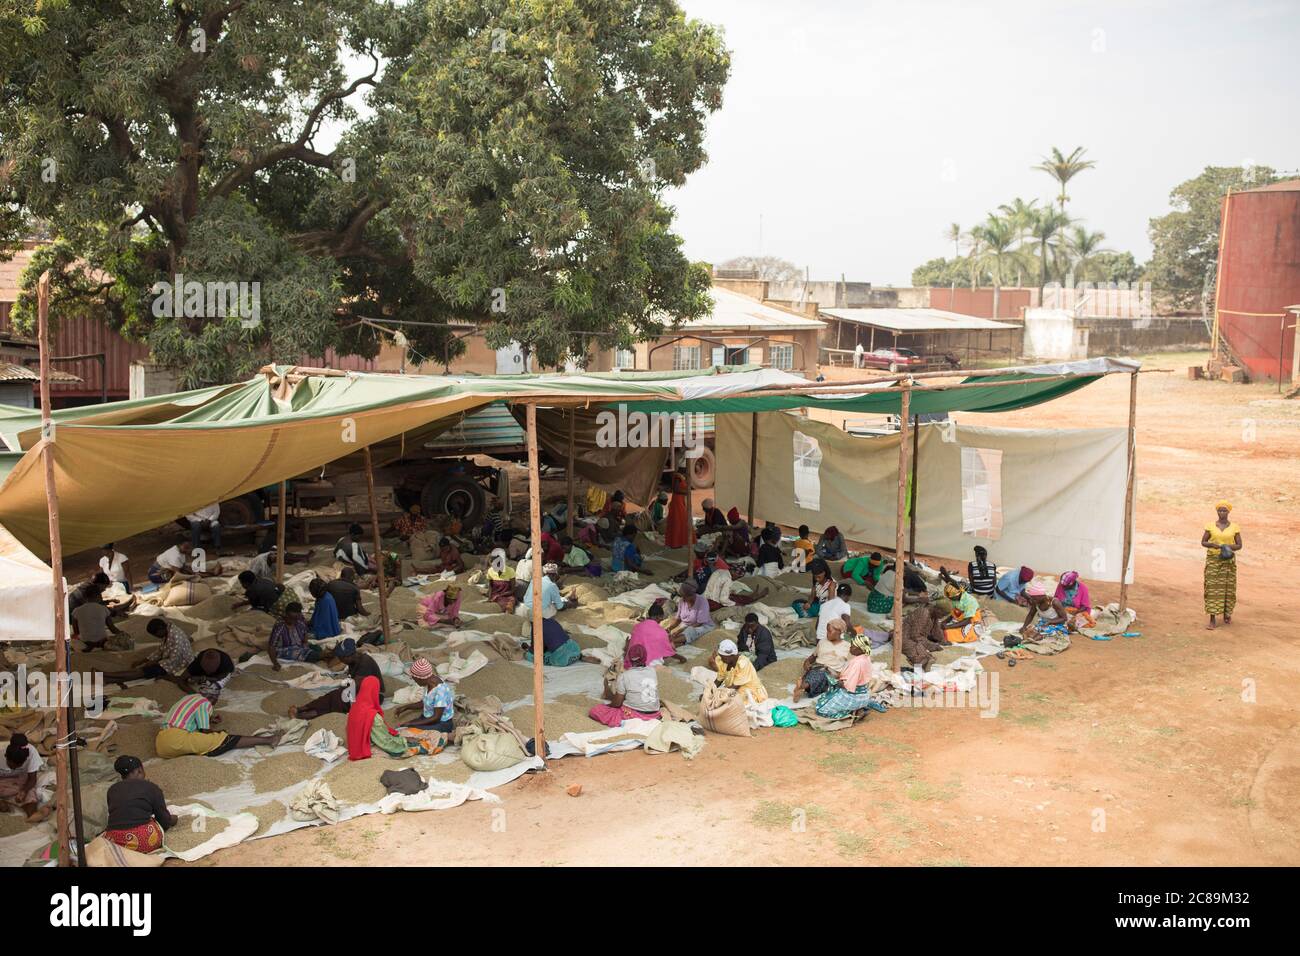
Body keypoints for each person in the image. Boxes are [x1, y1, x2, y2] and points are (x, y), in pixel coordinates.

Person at [346, 676, 444, 760]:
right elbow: (385, 743)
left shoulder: (356, 707)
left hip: (356, 747)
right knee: (433, 739)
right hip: (368, 748)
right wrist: (405, 741)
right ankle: (446, 738)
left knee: (409, 732)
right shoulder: (371, 715)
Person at [155, 693, 280, 758]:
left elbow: (187, 717)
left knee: (198, 744)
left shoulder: (190, 697)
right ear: (213, 699)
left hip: (162, 743)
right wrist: (220, 731)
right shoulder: (205, 703)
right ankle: (269, 739)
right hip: (176, 741)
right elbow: (205, 731)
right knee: (222, 739)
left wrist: (210, 718)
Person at [290, 640, 384, 719]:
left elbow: (355, 685)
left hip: (374, 697)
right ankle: (302, 709)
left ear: (349, 656)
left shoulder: (365, 662)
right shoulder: (354, 661)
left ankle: (302, 714)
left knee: (337, 701)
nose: (341, 660)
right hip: (362, 692)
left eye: (341, 658)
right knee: (333, 697)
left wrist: (341, 693)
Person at [101, 755, 176, 852]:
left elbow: (119, 814)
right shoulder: (151, 787)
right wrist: (173, 819)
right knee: (154, 823)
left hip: (114, 842)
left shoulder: (112, 790)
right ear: (140, 770)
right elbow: (164, 821)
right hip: (143, 841)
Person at [102, 618, 193, 685]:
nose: (157, 637)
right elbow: (160, 650)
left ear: (161, 628)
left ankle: (106, 675)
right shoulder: (168, 631)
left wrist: (155, 663)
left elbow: (173, 659)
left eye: (156, 634)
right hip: (168, 662)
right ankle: (107, 679)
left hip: (178, 664)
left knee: (141, 672)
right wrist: (143, 660)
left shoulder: (175, 637)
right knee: (141, 671)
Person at [589, 644, 661, 727]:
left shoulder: (625, 676)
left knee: (596, 710)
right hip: (655, 714)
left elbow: (617, 704)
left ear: (629, 658)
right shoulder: (652, 671)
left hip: (634, 715)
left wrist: (609, 706)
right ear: (645, 657)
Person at [1202, 500, 1242, 629]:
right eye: (1220, 510)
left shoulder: (1235, 527)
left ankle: (1227, 614)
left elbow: (1239, 545)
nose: (1222, 513)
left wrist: (1227, 547)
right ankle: (1212, 619)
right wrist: (1213, 545)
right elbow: (1203, 542)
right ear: (1217, 512)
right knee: (1212, 589)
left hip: (1228, 561)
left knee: (1228, 588)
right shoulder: (1210, 526)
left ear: (1229, 512)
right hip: (1213, 560)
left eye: (1224, 510)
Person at [794, 618, 851, 701]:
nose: (827, 634)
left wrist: (841, 676)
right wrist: (807, 662)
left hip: (832, 673)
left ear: (839, 631)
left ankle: (802, 687)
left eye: (830, 631)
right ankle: (803, 687)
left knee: (821, 676)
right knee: (816, 674)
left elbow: (852, 665)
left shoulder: (847, 646)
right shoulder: (822, 642)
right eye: (826, 631)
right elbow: (813, 657)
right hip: (817, 668)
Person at [395, 658, 455, 733]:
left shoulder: (440, 690)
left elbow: (436, 717)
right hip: (429, 718)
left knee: (411, 730)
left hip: (442, 723)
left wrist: (411, 724)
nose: (415, 682)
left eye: (415, 680)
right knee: (405, 727)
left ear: (422, 679)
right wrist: (406, 707)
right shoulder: (429, 684)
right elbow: (425, 702)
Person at [0, 734, 48, 822]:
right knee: (2, 807)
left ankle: (32, 817)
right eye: (11, 765)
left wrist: (23, 791)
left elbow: (32, 779)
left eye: (18, 765)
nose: (14, 768)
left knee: (30, 794)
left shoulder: (31, 752)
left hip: (20, 780)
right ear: (6, 756)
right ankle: (5, 803)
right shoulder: (0, 750)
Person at [71, 585, 132, 650]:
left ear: (84, 598)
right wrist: (122, 633)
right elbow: (112, 629)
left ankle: (89, 646)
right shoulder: (103, 608)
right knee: (114, 638)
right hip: (101, 641)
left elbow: (76, 632)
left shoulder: (76, 611)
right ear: (99, 597)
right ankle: (103, 645)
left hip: (85, 642)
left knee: (73, 639)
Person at [710, 639, 768, 704]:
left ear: (732, 656)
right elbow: (718, 680)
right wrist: (709, 692)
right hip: (735, 690)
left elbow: (734, 687)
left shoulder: (743, 663)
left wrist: (717, 695)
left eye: (723, 657)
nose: (721, 659)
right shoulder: (724, 662)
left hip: (750, 692)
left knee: (731, 703)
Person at [269, 602, 322, 668]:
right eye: (291, 618)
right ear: (286, 614)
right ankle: (325, 655)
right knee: (311, 656)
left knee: (318, 648)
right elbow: (271, 646)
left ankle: (324, 655)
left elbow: (305, 633)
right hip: (286, 649)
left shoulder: (300, 620)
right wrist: (275, 663)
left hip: (299, 646)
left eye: (295, 619)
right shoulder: (280, 625)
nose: (293, 621)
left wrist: (305, 643)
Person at [900, 605, 950, 670]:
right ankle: (923, 663)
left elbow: (936, 630)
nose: (942, 617)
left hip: (915, 637)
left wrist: (943, 640)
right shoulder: (923, 613)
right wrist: (932, 645)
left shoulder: (934, 615)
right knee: (914, 647)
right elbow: (914, 635)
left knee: (921, 647)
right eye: (943, 614)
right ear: (937, 609)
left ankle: (926, 661)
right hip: (905, 637)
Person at [666, 580, 713, 645]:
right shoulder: (682, 601)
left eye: (685, 596)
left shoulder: (702, 602)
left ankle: (671, 641)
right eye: (682, 596)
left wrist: (681, 630)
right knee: (676, 630)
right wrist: (669, 628)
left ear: (692, 595)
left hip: (702, 626)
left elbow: (699, 623)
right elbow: (678, 619)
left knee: (690, 631)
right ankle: (671, 640)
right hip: (686, 625)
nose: (683, 599)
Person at [664, 472, 691, 548]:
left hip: (680, 500)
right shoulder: (678, 477)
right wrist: (686, 492)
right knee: (678, 521)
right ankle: (675, 542)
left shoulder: (681, 477)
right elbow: (675, 489)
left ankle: (679, 541)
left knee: (681, 521)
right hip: (677, 501)